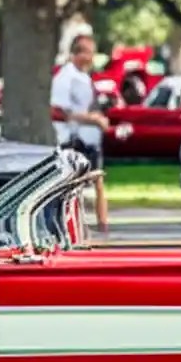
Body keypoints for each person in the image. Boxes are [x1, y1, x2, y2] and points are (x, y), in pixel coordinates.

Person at [50, 34, 109, 232]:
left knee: (98, 180)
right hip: (73, 139)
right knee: (73, 185)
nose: (92, 58)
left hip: (90, 138)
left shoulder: (84, 77)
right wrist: (94, 119)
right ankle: (72, 228)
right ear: (78, 54)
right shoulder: (65, 77)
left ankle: (103, 226)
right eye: (89, 53)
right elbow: (62, 111)